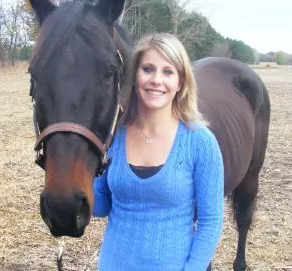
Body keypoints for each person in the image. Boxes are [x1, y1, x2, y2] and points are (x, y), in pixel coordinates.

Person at [93, 33, 224, 271]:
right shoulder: (115, 135)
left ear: (181, 82)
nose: (156, 80)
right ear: (134, 77)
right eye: (148, 69)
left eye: (168, 72)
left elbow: (210, 221)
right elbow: (100, 206)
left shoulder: (200, 142)